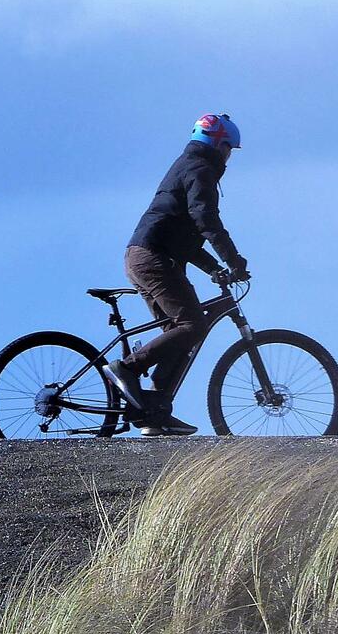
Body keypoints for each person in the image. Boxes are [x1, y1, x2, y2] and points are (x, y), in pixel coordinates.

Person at [103, 113, 250, 436]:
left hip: (145, 255)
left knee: (179, 334)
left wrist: (215, 268)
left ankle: (153, 411)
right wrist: (234, 260)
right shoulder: (201, 170)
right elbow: (206, 220)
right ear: (218, 144)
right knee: (192, 324)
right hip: (153, 258)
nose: (230, 156)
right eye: (230, 148)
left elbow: (185, 236)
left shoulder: (189, 164)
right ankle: (127, 368)